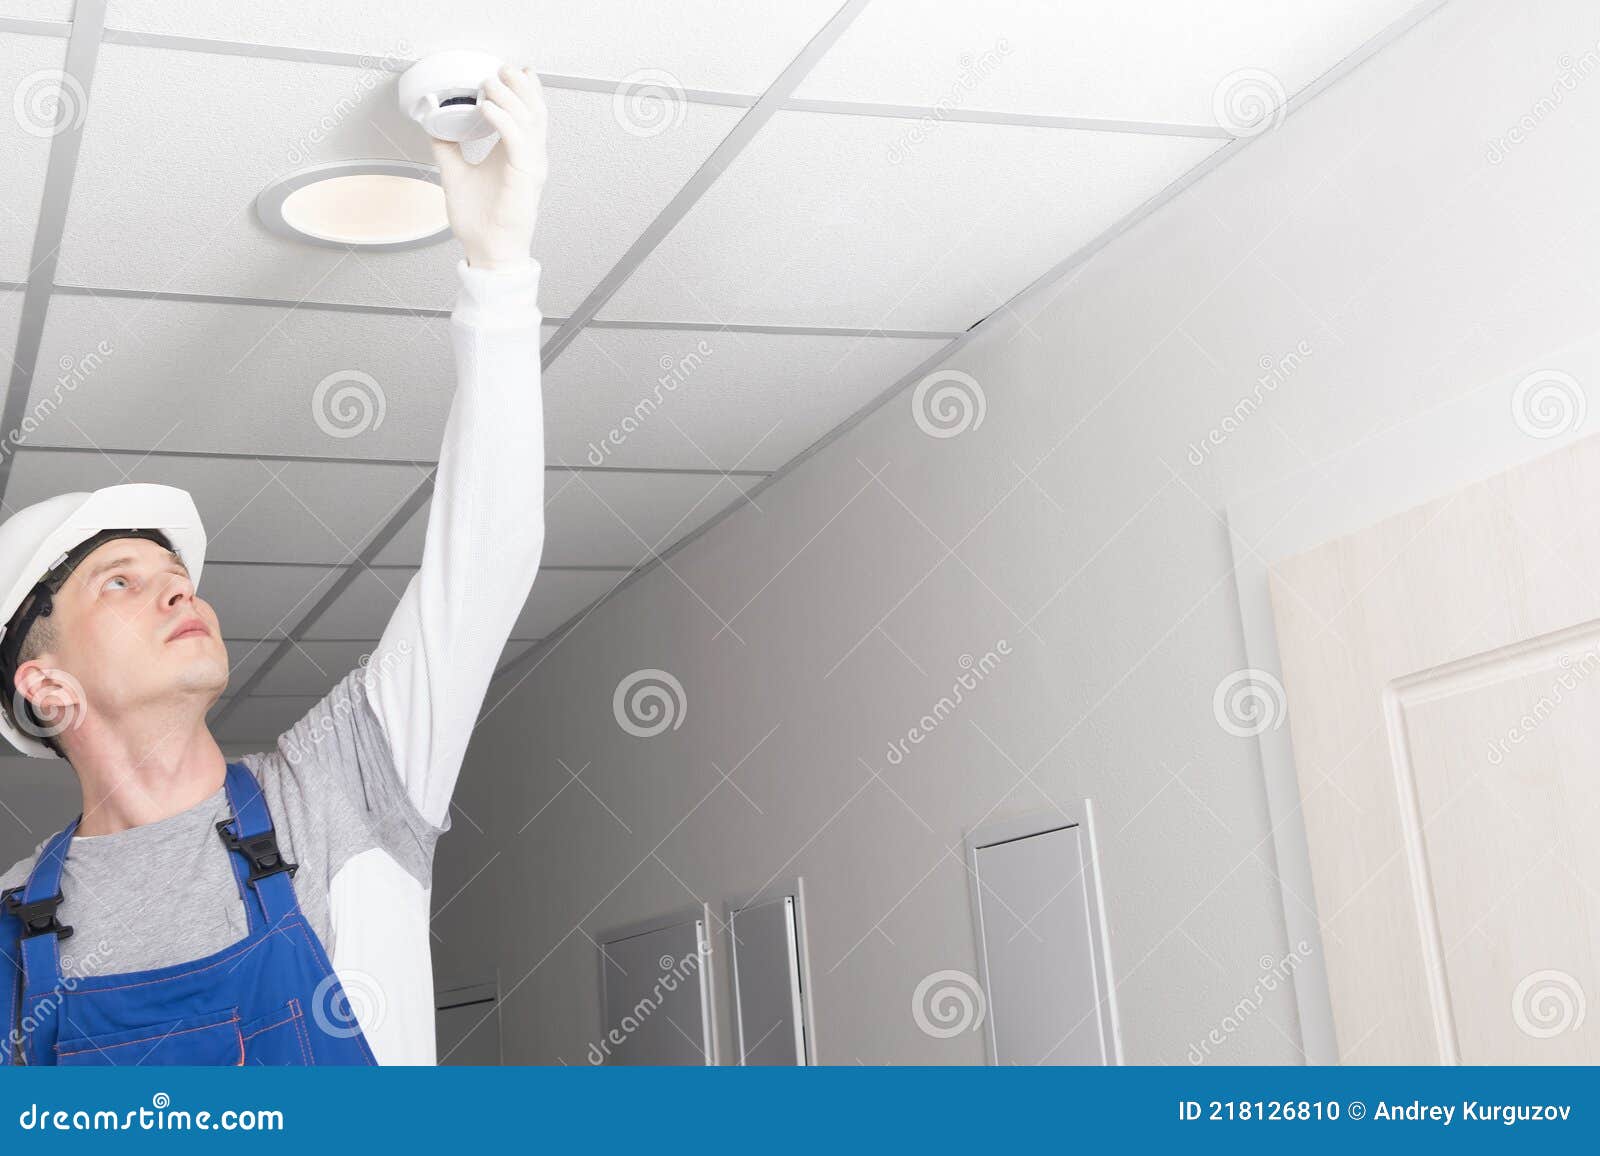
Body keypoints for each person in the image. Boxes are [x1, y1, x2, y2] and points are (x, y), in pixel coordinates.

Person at [0, 65, 549, 1066]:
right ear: (45, 682)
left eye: (173, 573)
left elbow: (489, 555)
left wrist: (498, 267)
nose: (176, 586)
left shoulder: (342, 787)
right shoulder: (10, 934)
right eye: (117, 580)